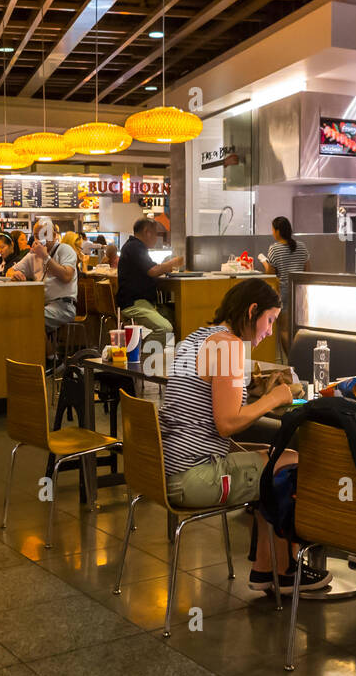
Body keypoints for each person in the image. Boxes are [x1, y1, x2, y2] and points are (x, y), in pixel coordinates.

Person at [159, 278, 330, 591]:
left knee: (276, 455)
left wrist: (252, 392)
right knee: (292, 464)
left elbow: (209, 401)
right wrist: (274, 398)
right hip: (191, 478)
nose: (267, 332)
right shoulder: (229, 345)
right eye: (269, 321)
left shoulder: (197, 338)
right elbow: (226, 423)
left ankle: (268, 568)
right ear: (253, 311)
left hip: (165, 469)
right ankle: (284, 570)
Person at [7, 215, 79, 332]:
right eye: (36, 235)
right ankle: (40, 349)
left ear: (54, 235)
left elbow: (66, 276)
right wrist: (13, 274)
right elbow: (10, 271)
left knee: (33, 318)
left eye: (45, 234)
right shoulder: (33, 255)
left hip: (63, 306)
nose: (40, 239)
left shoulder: (65, 250)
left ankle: (45, 350)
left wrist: (45, 257)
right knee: (19, 315)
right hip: (40, 304)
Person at [117, 217, 182, 335]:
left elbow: (150, 269)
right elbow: (153, 270)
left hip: (141, 301)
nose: (156, 238)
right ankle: (142, 351)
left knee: (178, 317)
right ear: (147, 232)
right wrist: (173, 263)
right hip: (134, 303)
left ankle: (169, 352)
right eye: (156, 234)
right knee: (165, 328)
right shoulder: (135, 247)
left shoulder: (134, 246)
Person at [261, 216, 310, 357]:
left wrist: (264, 261)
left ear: (277, 231)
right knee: (300, 330)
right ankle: (302, 359)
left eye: (272, 230)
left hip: (284, 293)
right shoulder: (301, 246)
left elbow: (270, 275)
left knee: (284, 330)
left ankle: (293, 360)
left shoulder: (274, 249)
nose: (272, 233)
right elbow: (308, 270)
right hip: (301, 293)